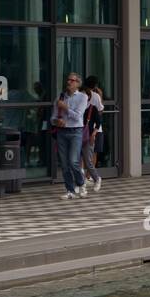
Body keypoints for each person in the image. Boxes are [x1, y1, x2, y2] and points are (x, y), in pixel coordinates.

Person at [50, 71, 89, 200]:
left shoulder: (82, 97)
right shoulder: (60, 97)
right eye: (68, 80)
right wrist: (57, 121)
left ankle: (81, 183)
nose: (68, 82)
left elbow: (78, 116)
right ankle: (70, 190)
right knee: (64, 164)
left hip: (75, 131)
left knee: (73, 161)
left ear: (78, 83)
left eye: (72, 80)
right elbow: (53, 117)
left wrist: (65, 107)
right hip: (61, 131)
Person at [80, 75, 104, 191]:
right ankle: (83, 180)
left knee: (89, 157)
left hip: (91, 131)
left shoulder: (92, 101)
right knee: (84, 157)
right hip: (82, 131)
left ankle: (91, 177)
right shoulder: (95, 96)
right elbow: (101, 111)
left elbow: (99, 115)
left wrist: (93, 133)